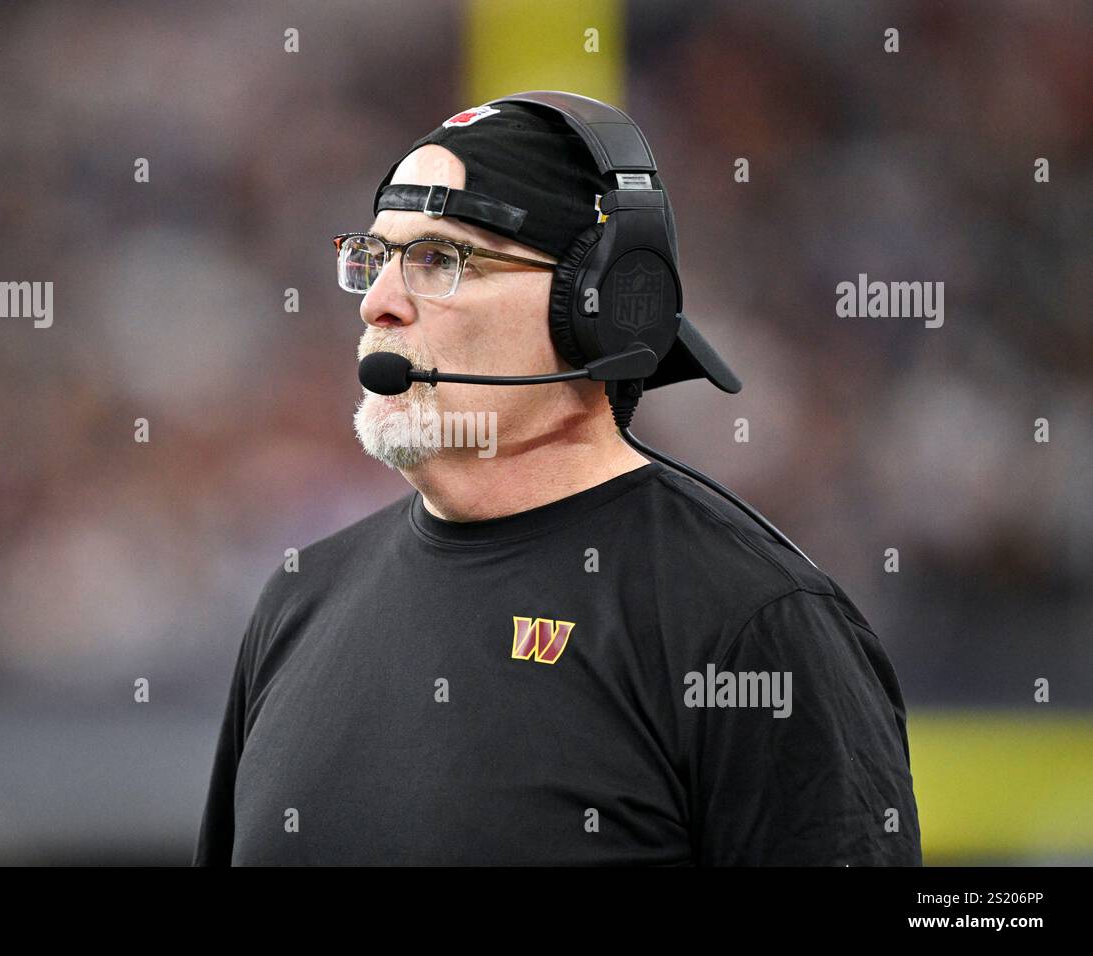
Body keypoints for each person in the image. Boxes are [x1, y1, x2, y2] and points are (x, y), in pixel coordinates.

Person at [194, 98, 922, 865]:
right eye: (373, 259)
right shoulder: (303, 596)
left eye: (440, 260)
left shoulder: (747, 625)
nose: (378, 302)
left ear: (599, 307)